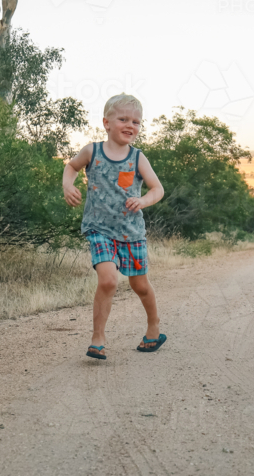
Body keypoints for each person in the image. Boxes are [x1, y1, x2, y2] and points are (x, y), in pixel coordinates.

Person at [62, 94, 166, 360]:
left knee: (140, 285)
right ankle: (98, 339)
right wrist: (68, 185)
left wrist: (143, 200)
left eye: (136, 121)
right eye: (123, 119)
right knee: (108, 280)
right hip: (99, 229)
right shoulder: (92, 151)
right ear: (107, 123)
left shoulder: (138, 157)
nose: (130, 125)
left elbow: (158, 189)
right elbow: (71, 167)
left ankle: (153, 328)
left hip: (131, 233)